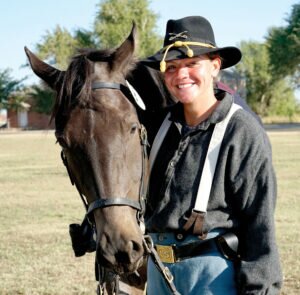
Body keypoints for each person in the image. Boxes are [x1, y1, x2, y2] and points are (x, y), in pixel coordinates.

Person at [142, 16, 282, 294]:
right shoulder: (157, 127)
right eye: (171, 67)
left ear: (215, 66)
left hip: (212, 276)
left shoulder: (242, 130)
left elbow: (260, 225)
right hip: (157, 273)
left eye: (192, 64)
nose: (180, 75)